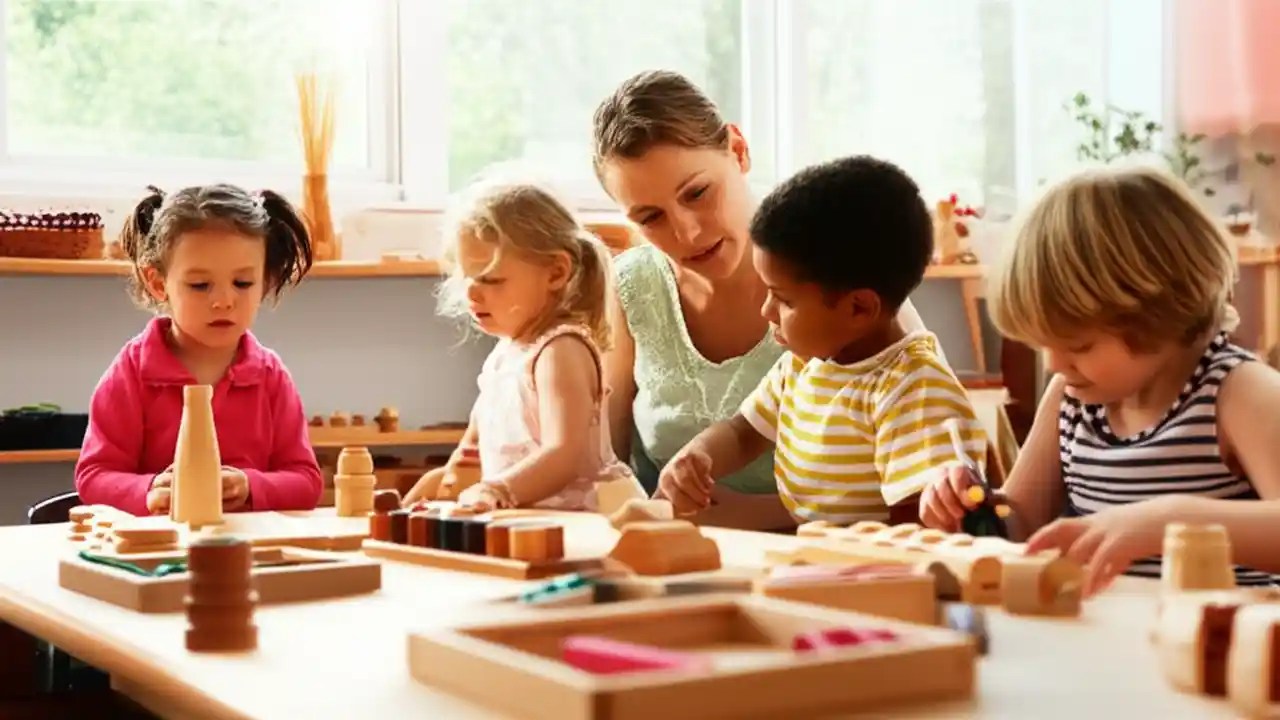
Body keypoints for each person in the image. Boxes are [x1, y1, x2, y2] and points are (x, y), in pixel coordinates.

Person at [592, 69, 947, 529]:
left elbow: (908, 484)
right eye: (650, 217)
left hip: (827, 555)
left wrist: (757, 516)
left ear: (737, 151)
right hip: (678, 554)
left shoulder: (837, 267)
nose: (687, 231)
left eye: (697, 193)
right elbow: (608, 467)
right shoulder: (629, 287)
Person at [919, 166, 1280, 594]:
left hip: (1219, 644)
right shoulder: (1071, 399)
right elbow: (1020, 527)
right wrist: (967, 508)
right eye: (1042, 344)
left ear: (1162, 311)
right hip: (1108, 641)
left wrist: (1167, 520)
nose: (1054, 364)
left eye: (1080, 346)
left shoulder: (1236, 390)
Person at [655, 155, 987, 526]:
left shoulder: (912, 389)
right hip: (814, 559)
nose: (767, 310)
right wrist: (698, 456)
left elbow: (915, 529)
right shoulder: (802, 366)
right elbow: (743, 433)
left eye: (784, 299)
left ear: (859, 308)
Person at [75, 184, 322, 516]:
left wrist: (250, 486)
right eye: (200, 285)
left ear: (265, 281)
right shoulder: (132, 373)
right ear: (158, 283)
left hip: (250, 552)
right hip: (159, 553)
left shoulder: (270, 375)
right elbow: (93, 477)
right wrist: (149, 491)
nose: (223, 301)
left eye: (243, 283)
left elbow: (306, 481)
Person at [401, 177, 643, 512]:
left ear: (556, 273)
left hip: (592, 517)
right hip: (532, 518)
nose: (472, 292)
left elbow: (564, 454)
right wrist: (438, 486)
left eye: (490, 279)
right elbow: (471, 453)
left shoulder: (561, 350)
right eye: (468, 277)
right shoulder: (503, 356)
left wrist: (497, 490)